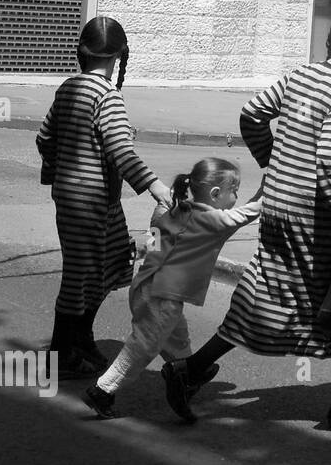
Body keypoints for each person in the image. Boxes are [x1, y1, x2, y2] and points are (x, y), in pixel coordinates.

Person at [164, 0, 331, 429]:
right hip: (316, 217)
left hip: (278, 206)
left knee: (266, 291)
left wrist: (279, 163)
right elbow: (329, 161)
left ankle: (190, 372)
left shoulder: (302, 74)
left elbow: (252, 114)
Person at [36, 17, 173, 379]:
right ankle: (62, 355)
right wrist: (155, 186)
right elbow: (120, 150)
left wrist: (56, 171)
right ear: (117, 57)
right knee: (79, 276)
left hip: (77, 200)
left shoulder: (67, 88)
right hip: (92, 202)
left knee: (112, 264)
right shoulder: (107, 95)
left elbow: (44, 139)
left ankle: (81, 338)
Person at [82, 158, 264, 420]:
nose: (236, 196)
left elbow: (154, 236)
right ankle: (103, 390)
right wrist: (268, 190)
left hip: (147, 285)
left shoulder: (180, 211)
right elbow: (248, 213)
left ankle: (185, 378)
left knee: (177, 340)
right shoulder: (212, 221)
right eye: (234, 190)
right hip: (163, 296)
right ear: (215, 194)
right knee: (142, 348)